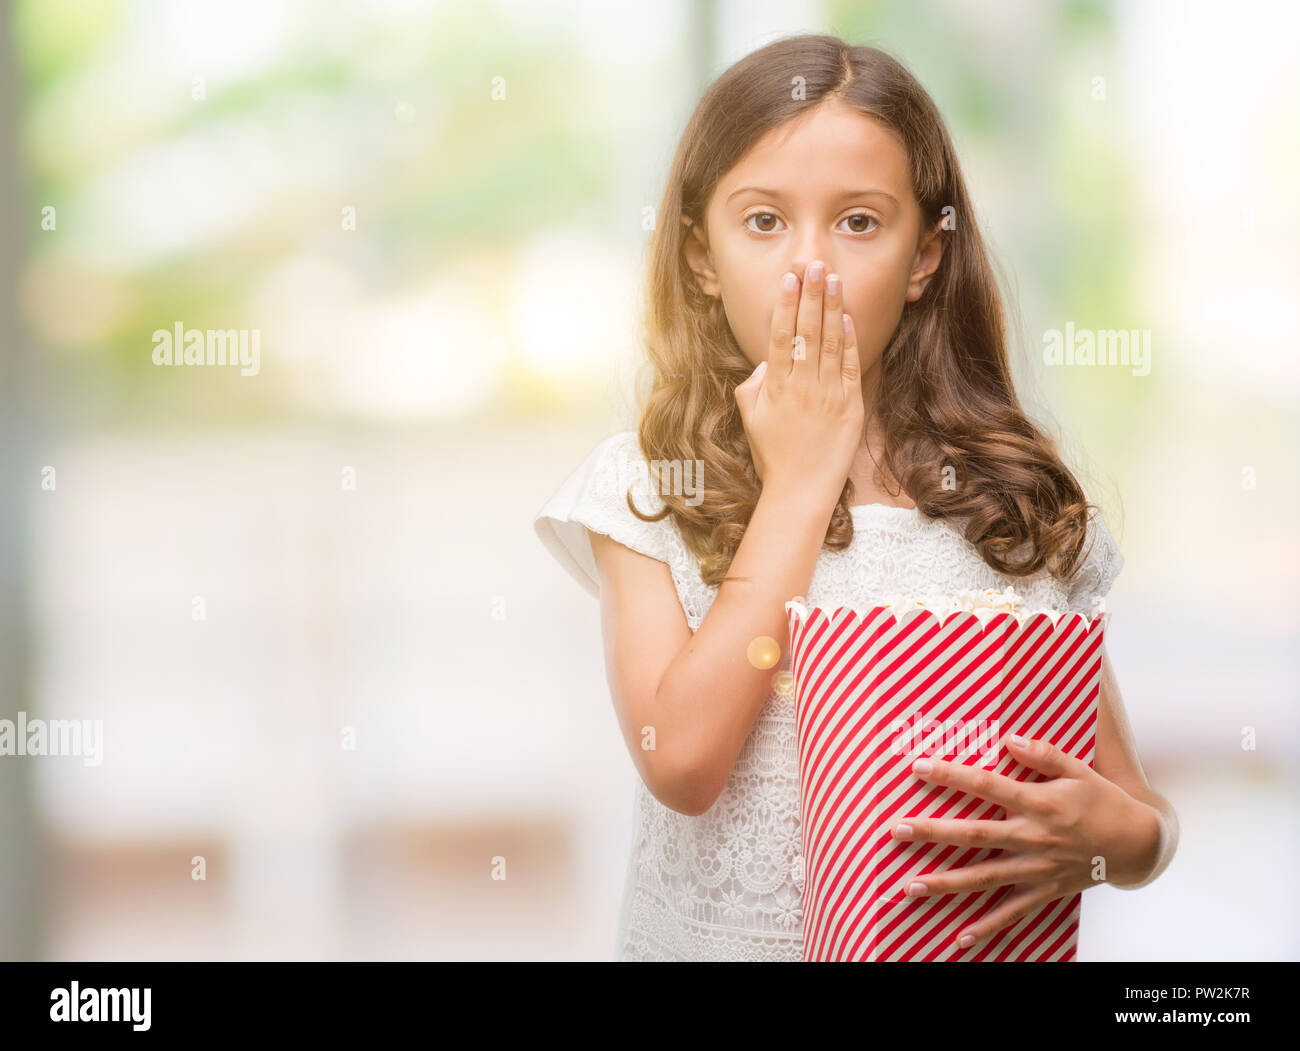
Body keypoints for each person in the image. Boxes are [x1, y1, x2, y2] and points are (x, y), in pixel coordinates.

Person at [533, 34, 1178, 961]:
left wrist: (1122, 841)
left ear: (925, 258)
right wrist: (797, 482)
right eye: (763, 222)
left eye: (861, 223)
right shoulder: (643, 487)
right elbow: (682, 760)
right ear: (701, 256)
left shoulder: (1011, 504)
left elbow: (1139, 812)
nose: (811, 268)